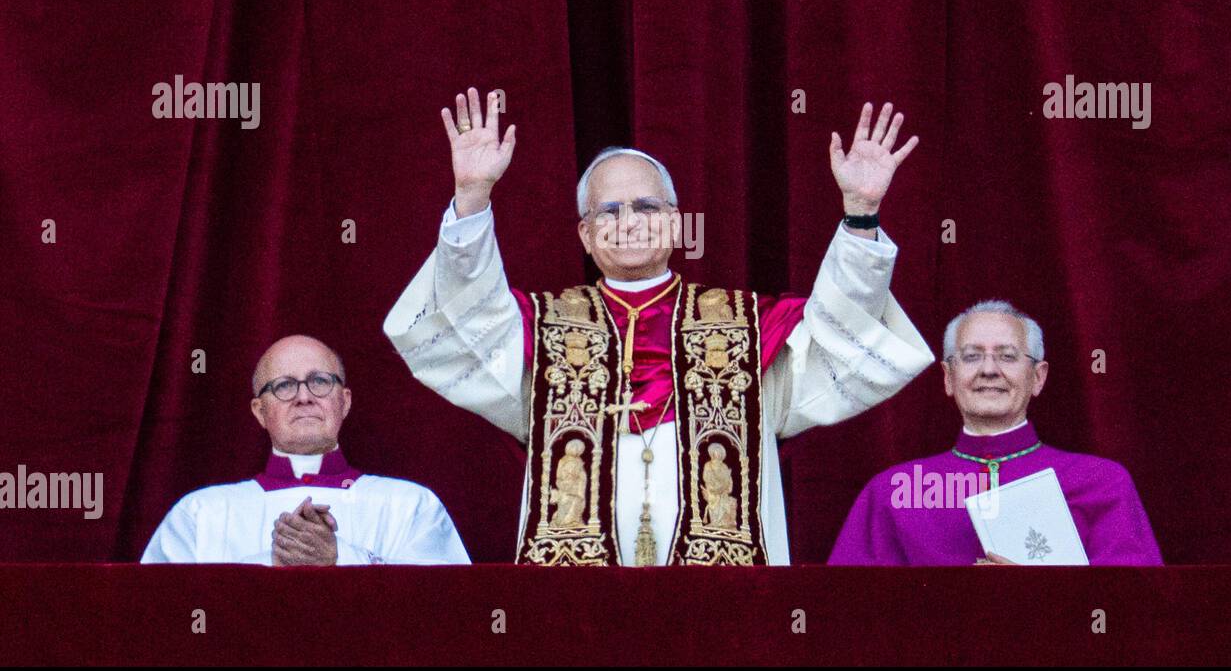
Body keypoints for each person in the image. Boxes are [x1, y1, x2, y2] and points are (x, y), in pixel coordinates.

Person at [383, 86, 934, 566]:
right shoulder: (541, 333)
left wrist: (861, 212)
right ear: (584, 234)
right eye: (609, 210)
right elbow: (464, 325)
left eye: (647, 207)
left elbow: (843, 338)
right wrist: (472, 198)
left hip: (721, 601)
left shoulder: (747, 331)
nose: (628, 223)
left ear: (675, 223)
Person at [827, 300, 1163, 565]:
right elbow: (851, 613)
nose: (989, 370)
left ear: (1038, 377)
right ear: (948, 377)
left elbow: (1135, 611)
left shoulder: (1101, 483)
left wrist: (1043, 595)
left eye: (1007, 356)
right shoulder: (892, 492)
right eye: (972, 356)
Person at [141, 335, 470, 565]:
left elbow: (442, 610)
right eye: (284, 385)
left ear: (344, 401)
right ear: (259, 411)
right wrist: (275, 560)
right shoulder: (200, 513)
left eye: (320, 381)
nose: (304, 396)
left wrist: (341, 558)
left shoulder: (412, 505)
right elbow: (163, 614)